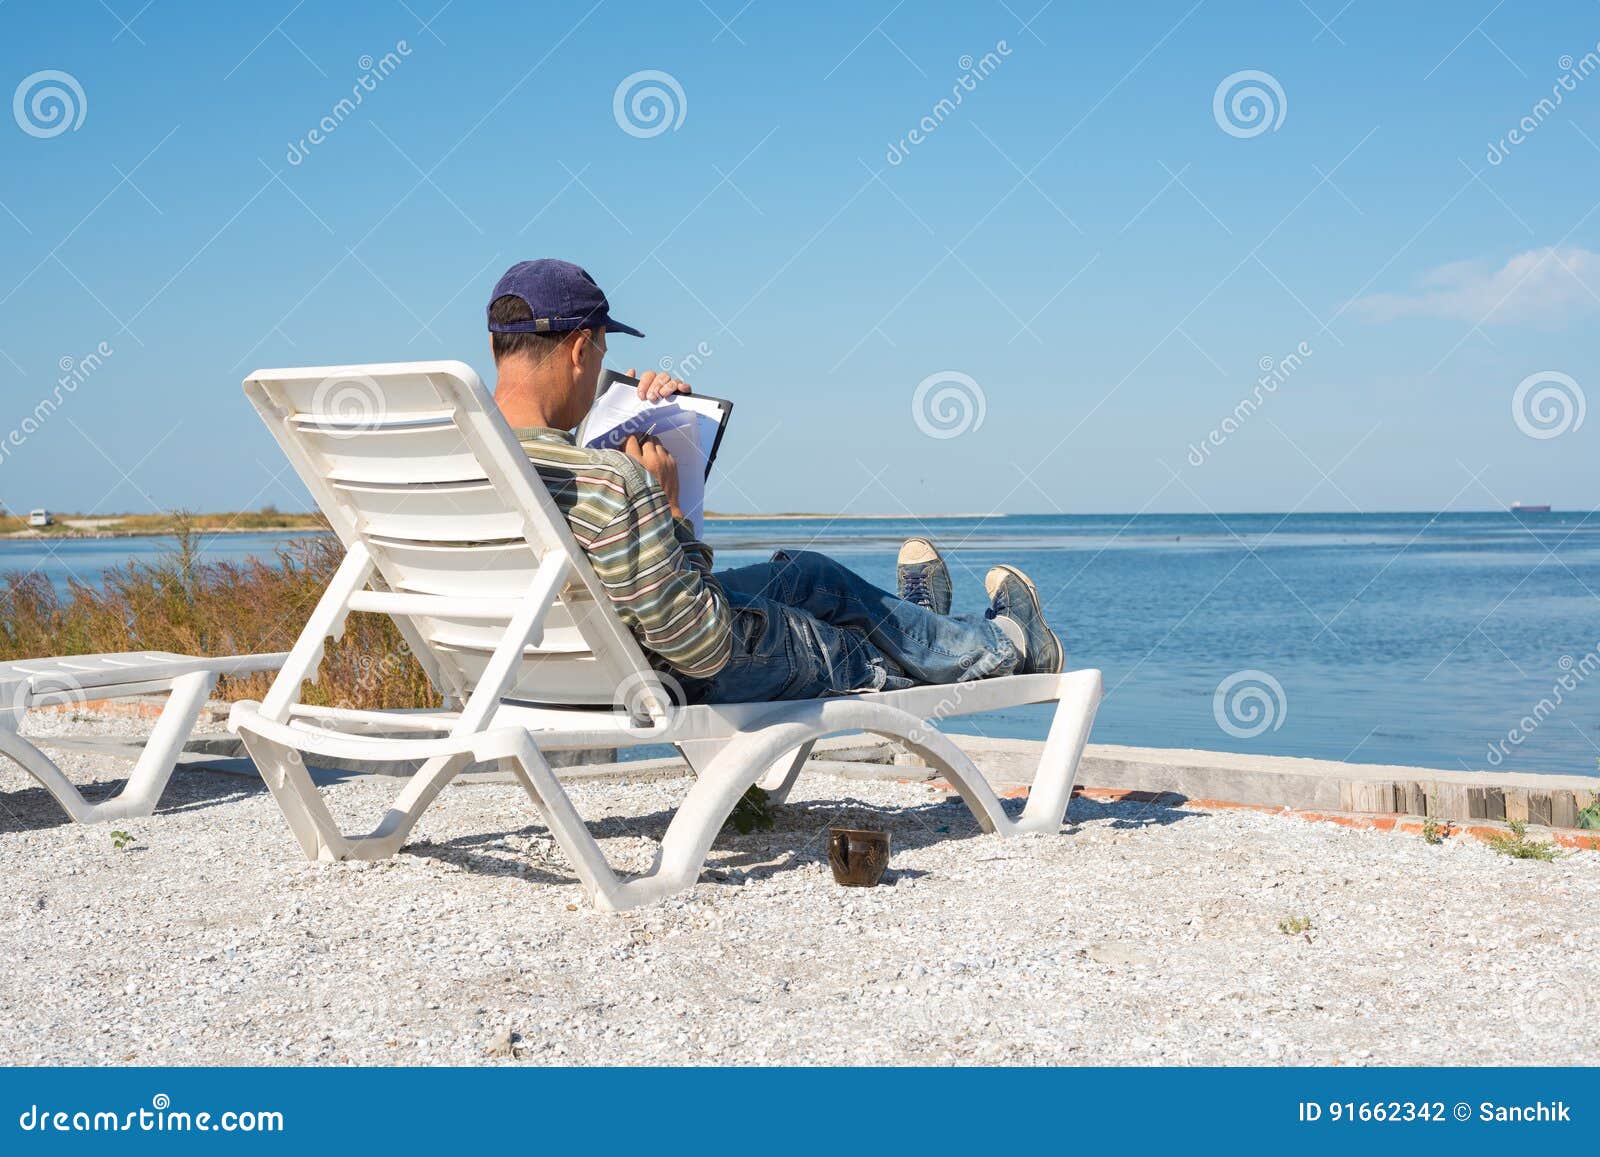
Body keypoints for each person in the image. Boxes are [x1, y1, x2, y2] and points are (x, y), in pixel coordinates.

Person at [486, 258, 1063, 705]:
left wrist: (610, 414)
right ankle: (1004, 644)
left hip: (542, 673)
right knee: (866, 651)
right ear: (582, 350)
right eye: (602, 351)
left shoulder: (462, 473)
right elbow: (701, 645)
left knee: (809, 574)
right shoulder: (610, 485)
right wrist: (669, 511)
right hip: (685, 673)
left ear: (496, 345)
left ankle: (932, 627)